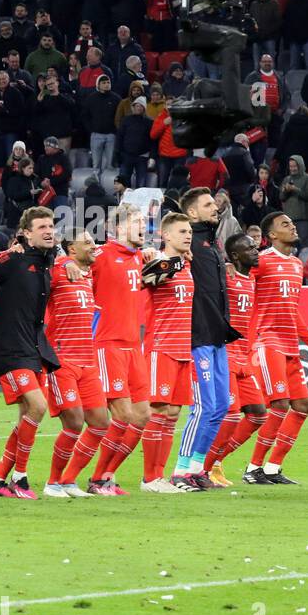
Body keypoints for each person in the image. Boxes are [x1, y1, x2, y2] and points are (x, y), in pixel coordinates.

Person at [0, 206, 61, 498]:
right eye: (41, 226)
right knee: (38, 407)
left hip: (34, 348)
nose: (49, 230)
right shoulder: (11, 259)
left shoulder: (46, 261)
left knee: (27, 415)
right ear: (26, 233)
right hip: (10, 348)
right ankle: (20, 477)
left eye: (50, 225)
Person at [168, 187, 236, 488]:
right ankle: (180, 471)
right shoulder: (189, 243)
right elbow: (162, 259)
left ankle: (196, 467)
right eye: (208, 204)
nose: (215, 207)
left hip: (218, 335)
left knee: (221, 405)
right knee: (204, 406)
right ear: (192, 212)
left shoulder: (210, 242)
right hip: (197, 336)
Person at [87, 204, 153, 495]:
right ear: (118, 228)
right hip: (107, 344)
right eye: (137, 221)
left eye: (144, 222)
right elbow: (68, 266)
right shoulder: (99, 256)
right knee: (123, 415)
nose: (144, 227)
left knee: (142, 416)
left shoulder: (140, 257)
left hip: (132, 346)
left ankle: (106, 475)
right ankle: (95, 478)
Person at [134, 211, 198, 493]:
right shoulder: (158, 261)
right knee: (157, 411)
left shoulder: (186, 265)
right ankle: (149, 479)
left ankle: (161, 477)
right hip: (161, 346)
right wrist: (152, 257)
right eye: (182, 232)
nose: (188, 236)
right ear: (166, 235)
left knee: (173, 413)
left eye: (190, 232)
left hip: (183, 349)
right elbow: (145, 278)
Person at [244, 211, 308, 484]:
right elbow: (242, 289)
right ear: (271, 235)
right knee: (280, 404)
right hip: (267, 341)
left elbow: (293, 310)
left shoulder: (296, 264)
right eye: (285, 225)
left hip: (290, 344)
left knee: (302, 404)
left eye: (293, 224)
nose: (292, 227)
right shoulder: (260, 262)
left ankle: (273, 467)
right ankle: (253, 468)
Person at [43, 230, 110, 496]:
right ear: (71, 249)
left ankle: (69, 480)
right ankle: (52, 483)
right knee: (73, 422)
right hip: (62, 360)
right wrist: (61, 261)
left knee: (100, 423)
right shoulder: (59, 271)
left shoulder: (89, 273)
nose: (94, 246)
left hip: (88, 361)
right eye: (88, 243)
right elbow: (42, 266)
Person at [203, 234, 268, 485]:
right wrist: (221, 263)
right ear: (235, 256)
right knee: (230, 415)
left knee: (258, 414)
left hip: (243, 356)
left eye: (255, 246)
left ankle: (216, 461)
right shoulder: (225, 279)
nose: (256, 250)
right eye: (250, 248)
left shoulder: (250, 279)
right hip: (224, 354)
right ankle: (202, 470)